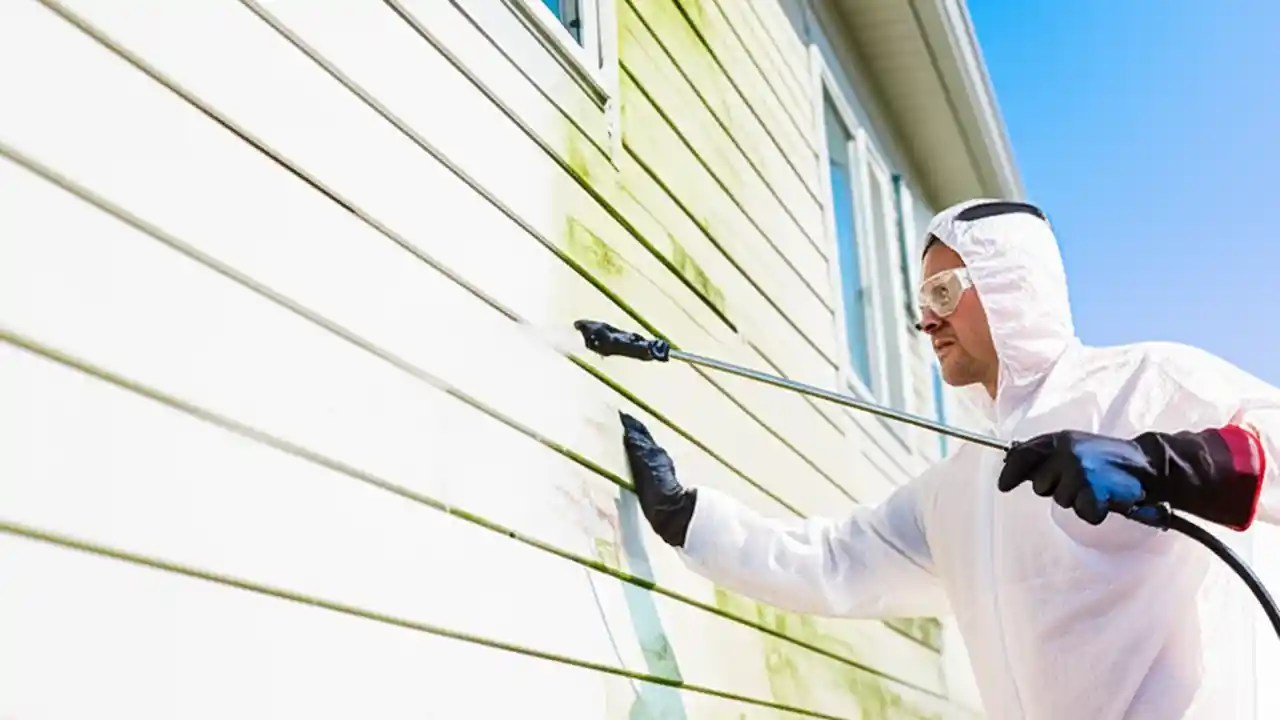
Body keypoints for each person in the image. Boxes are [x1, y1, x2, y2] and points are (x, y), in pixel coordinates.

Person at [612, 199, 1280, 720]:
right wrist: (689, 521)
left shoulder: (1145, 385)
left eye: (942, 293)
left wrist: (1154, 461)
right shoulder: (961, 487)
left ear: (1011, 286)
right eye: (919, 303)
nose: (925, 322)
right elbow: (837, 561)